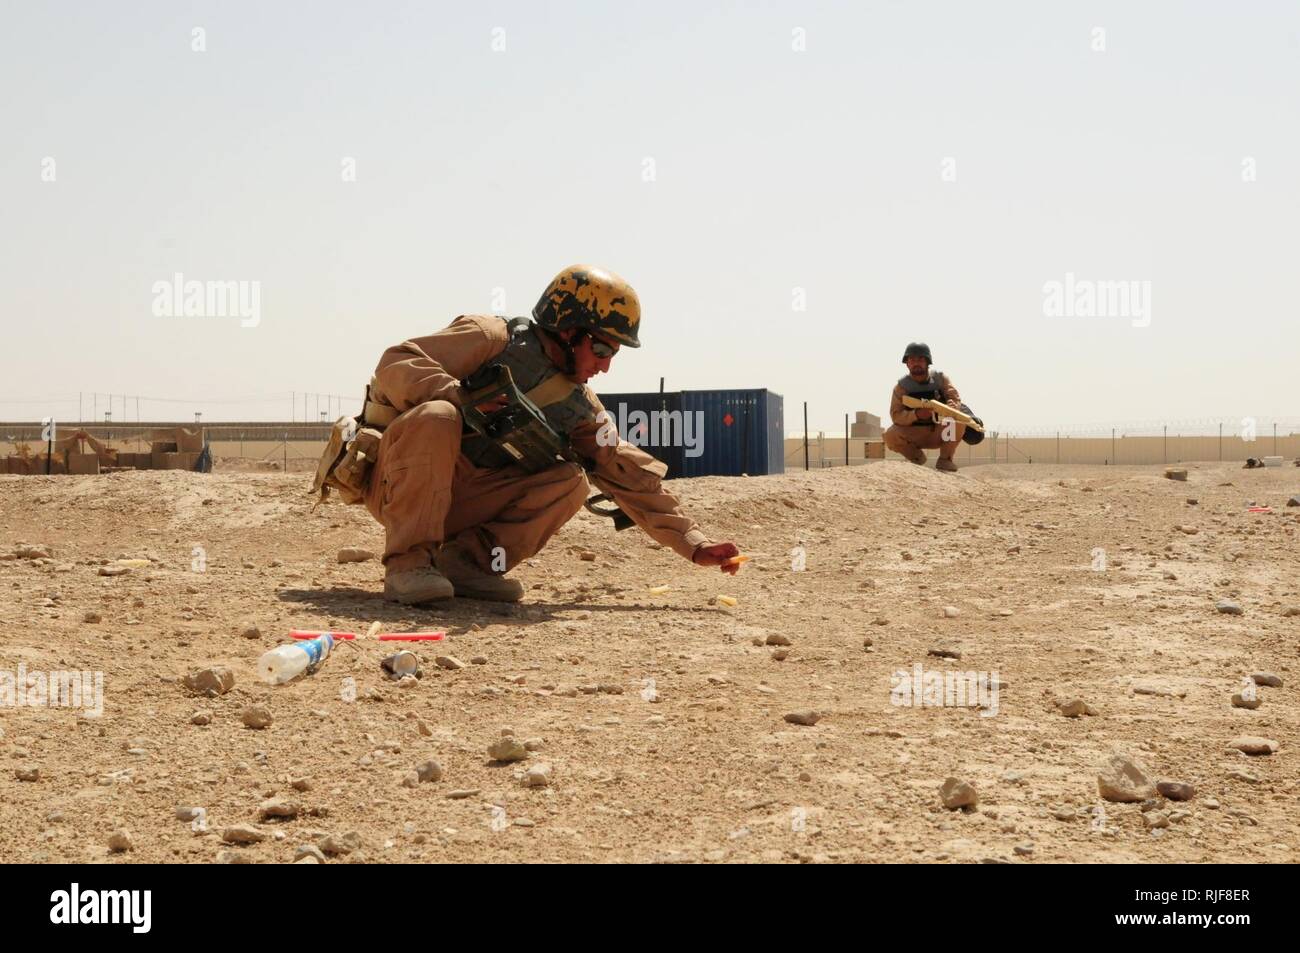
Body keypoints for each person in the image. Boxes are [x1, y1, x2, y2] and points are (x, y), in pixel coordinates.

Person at [357, 264, 741, 604]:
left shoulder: (580, 408)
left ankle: (466, 565)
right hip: (396, 488)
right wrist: (456, 396)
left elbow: (625, 472)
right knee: (438, 415)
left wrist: (695, 544)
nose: (605, 366)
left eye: (614, 354)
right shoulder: (490, 339)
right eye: (601, 348)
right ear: (568, 331)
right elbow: (396, 362)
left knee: (572, 481)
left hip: (465, 500)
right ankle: (408, 565)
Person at [883, 342, 966, 472]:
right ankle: (916, 458)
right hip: (914, 433)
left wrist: (953, 405)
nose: (916, 363)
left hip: (939, 431)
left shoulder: (940, 379)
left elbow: (953, 396)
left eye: (920, 359)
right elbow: (896, 415)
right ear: (907, 363)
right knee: (890, 435)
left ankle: (945, 459)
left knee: (959, 421)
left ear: (927, 362)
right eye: (912, 359)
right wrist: (916, 414)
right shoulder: (901, 387)